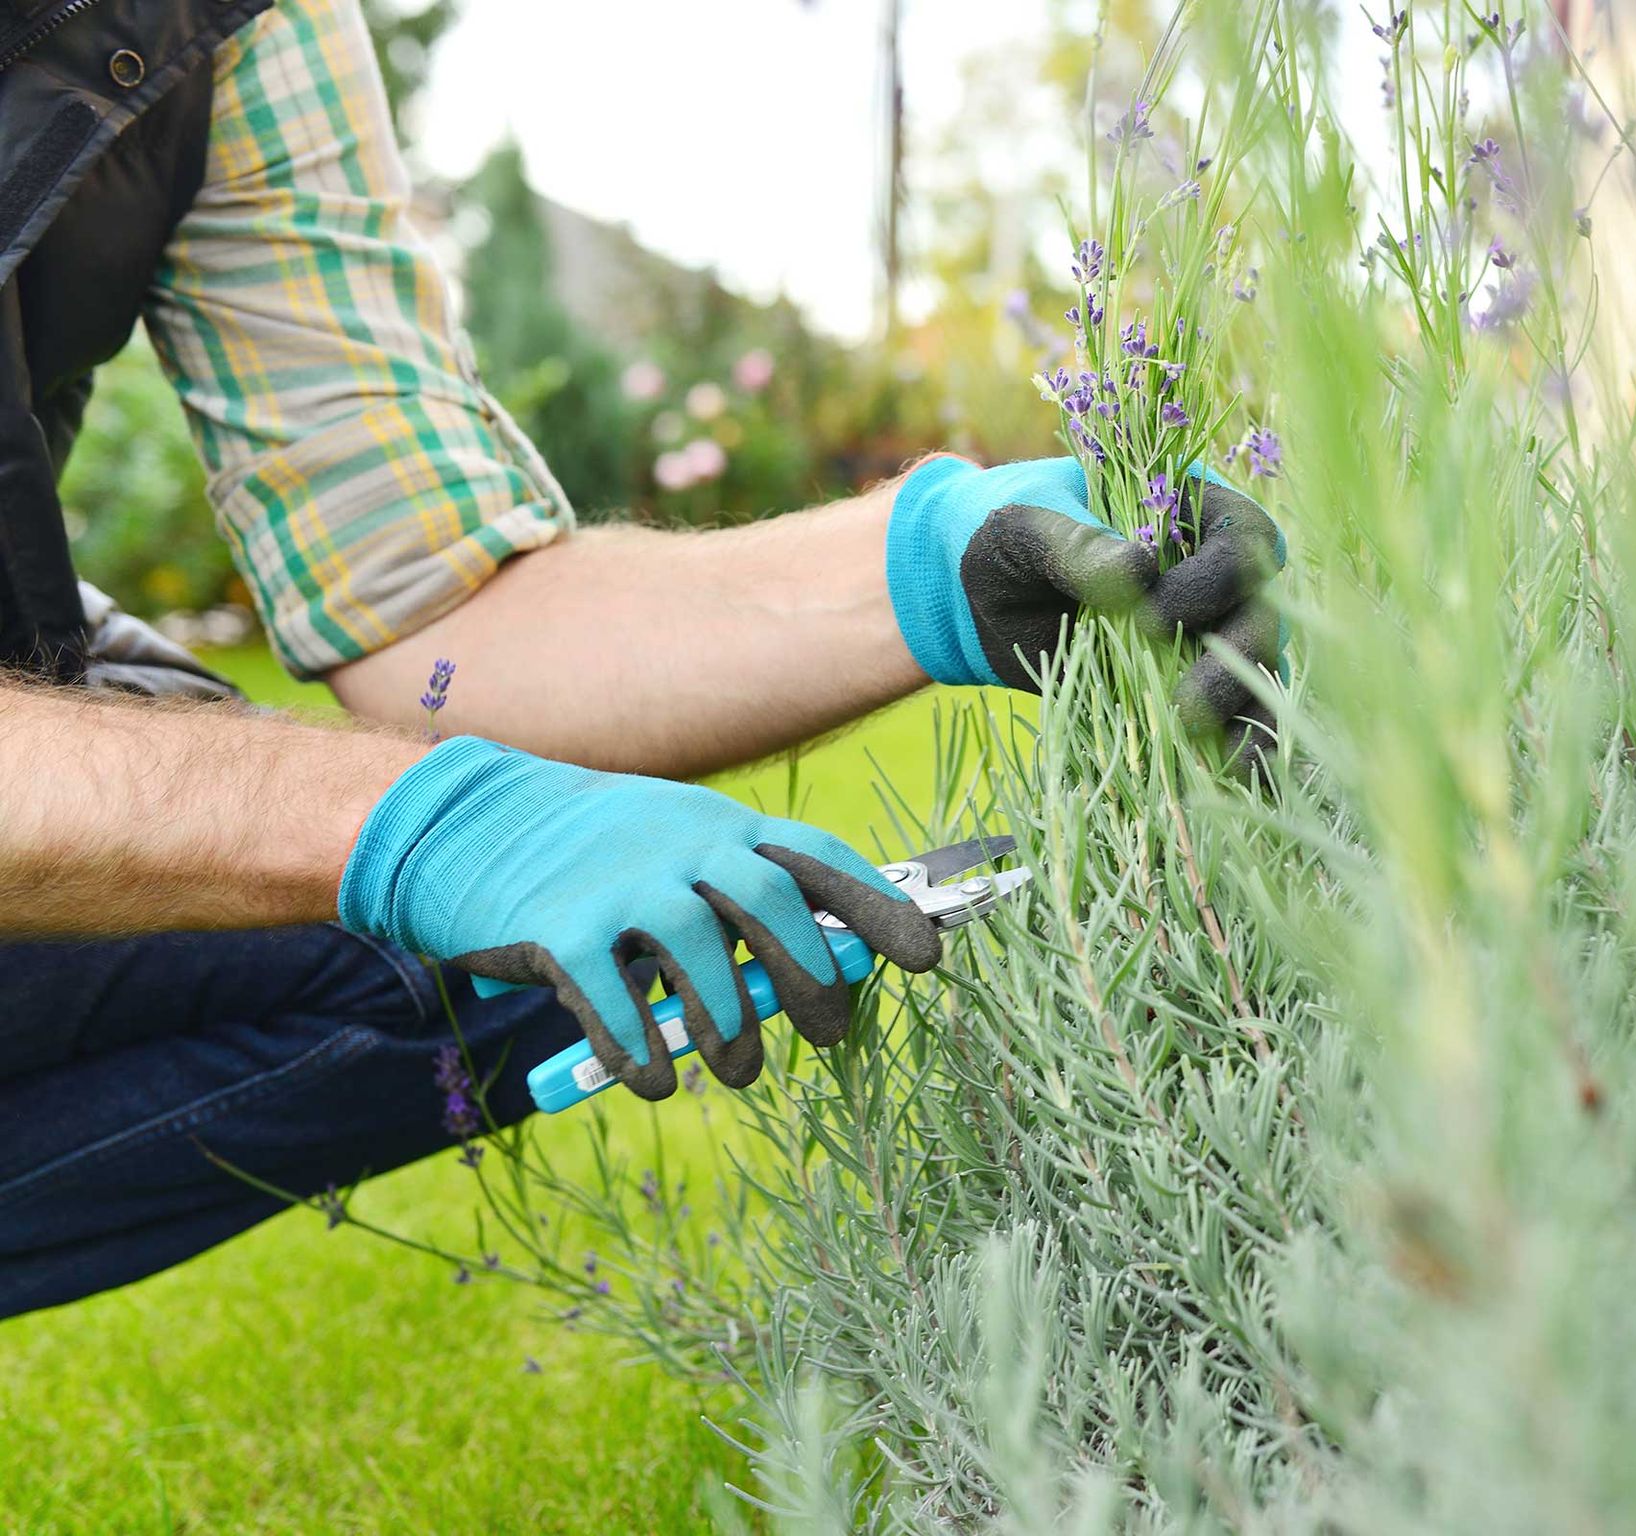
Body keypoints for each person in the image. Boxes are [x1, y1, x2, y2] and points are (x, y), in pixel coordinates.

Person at [0, 0, 1285, 1319]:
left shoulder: (225, 27)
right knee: (395, 893)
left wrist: (931, 564)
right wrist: (431, 829)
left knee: (511, 961)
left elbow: (431, 621)